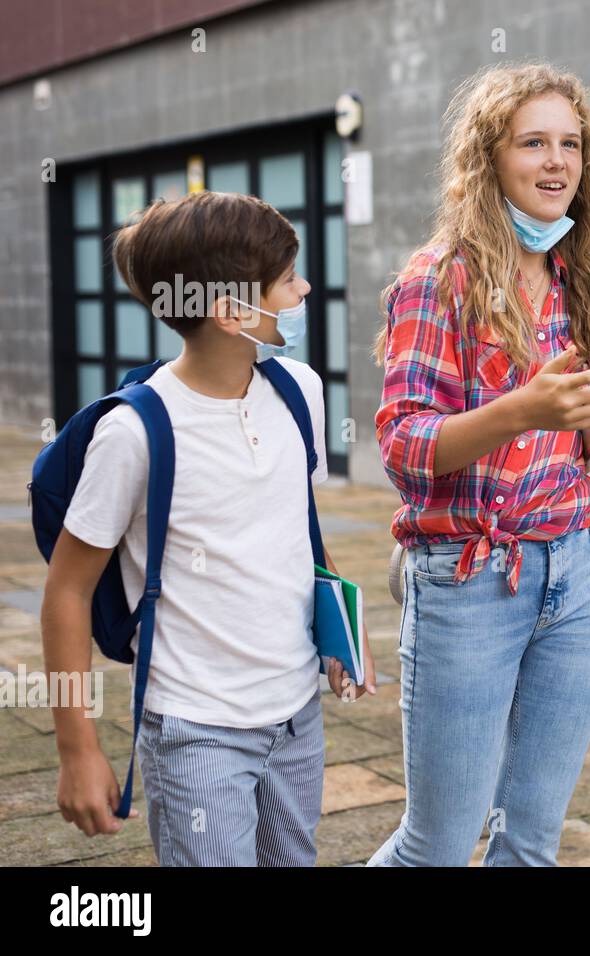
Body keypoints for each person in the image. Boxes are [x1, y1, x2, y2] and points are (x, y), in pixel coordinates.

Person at [43, 190, 372, 865]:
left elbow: (297, 530)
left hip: (295, 714)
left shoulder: (298, 391)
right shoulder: (134, 432)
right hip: (195, 731)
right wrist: (77, 750)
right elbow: (66, 593)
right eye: (286, 279)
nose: (304, 288)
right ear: (229, 312)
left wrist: (334, 630)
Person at [367, 63, 590, 867]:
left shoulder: (571, 273)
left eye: (571, 145)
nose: (558, 163)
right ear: (489, 158)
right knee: (440, 847)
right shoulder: (438, 278)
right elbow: (405, 448)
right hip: (469, 580)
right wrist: (526, 408)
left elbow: (561, 429)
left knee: (532, 842)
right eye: (533, 143)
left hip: (576, 567)